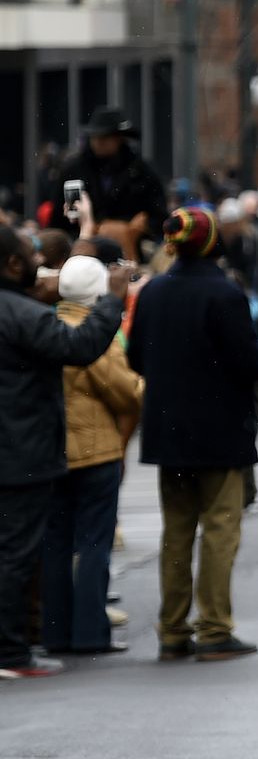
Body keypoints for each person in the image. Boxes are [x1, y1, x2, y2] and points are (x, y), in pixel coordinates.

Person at [127, 208, 258, 662]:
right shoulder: (224, 294)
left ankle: (171, 629)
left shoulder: (152, 293)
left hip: (168, 433)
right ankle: (213, 628)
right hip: (220, 432)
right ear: (211, 244)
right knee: (220, 531)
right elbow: (251, 364)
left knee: (177, 532)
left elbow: (134, 360)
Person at [0, 225, 130, 680]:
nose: (40, 264)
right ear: (13, 265)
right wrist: (112, 299)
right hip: (25, 453)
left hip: (26, 450)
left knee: (40, 548)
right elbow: (80, 348)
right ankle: (12, 651)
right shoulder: (20, 313)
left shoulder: (23, 309)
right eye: (30, 256)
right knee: (20, 553)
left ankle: (33, 638)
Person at [40, 256, 143, 657]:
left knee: (56, 547)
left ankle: (55, 633)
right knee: (94, 545)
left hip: (52, 453)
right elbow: (123, 390)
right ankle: (89, 632)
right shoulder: (96, 332)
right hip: (96, 453)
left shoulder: (44, 325)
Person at [55, 107, 167, 246]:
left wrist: (136, 227)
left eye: (104, 137)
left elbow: (159, 216)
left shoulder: (142, 172)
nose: (97, 142)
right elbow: (57, 220)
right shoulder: (73, 170)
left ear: (119, 138)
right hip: (81, 245)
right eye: (94, 137)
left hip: (131, 249)